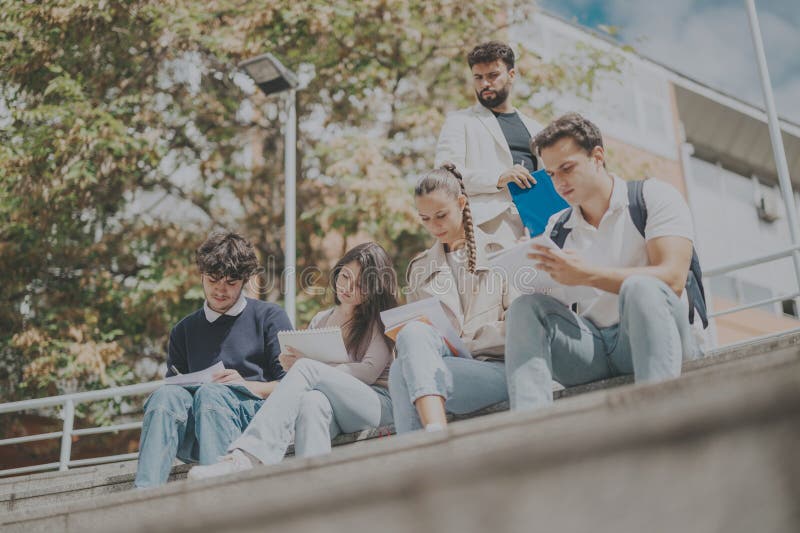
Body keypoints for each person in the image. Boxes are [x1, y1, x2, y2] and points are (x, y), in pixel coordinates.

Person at [505, 113, 701, 412]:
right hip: (593, 349)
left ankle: (658, 417)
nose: (559, 182)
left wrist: (586, 275)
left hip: (655, 335)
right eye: (552, 174)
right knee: (525, 308)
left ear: (597, 157)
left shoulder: (652, 196)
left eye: (567, 168)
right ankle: (530, 428)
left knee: (640, 287)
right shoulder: (557, 226)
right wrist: (531, 266)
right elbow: (553, 299)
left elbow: (673, 278)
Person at [187, 242, 398, 479]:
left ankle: (248, 455)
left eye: (360, 284)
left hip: (375, 405)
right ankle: (312, 488)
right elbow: (310, 377)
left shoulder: (379, 320)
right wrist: (292, 363)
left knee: (307, 368)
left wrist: (310, 366)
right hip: (333, 405)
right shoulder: (321, 319)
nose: (348, 287)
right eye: (345, 276)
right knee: (311, 402)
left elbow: (368, 372)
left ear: (374, 288)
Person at [134, 231, 291, 488]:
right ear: (201, 276)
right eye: (213, 279)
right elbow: (177, 389)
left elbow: (291, 386)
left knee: (212, 393)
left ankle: (219, 492)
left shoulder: (270, 317)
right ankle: (144, 494)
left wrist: (244, 385)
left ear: (245, 281)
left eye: (231, 282)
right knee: (164, 396)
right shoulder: (183, 330)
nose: (220, 289)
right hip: (198, 429)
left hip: (251, 426)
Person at [388, 164, 510, 434]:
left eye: (441, 215)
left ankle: (425, 446)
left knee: (402, 372)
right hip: (442, 370)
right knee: (403, 356)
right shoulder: (419, 268)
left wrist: (466, 344)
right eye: (425, 219)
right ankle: (434, 433)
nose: (434, 226)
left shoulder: (501, 250)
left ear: (461, 203)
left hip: (495, 368)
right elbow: (413, 342)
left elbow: (521, 323)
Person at [435, 41, 544, 247]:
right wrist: (499, 178)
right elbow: (445, 177)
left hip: (535, 230)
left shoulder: (537, 128)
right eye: (478, 77)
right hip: (486, 231)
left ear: (511, 75)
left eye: (493, 75)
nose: (485, 83)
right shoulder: (459, 121)